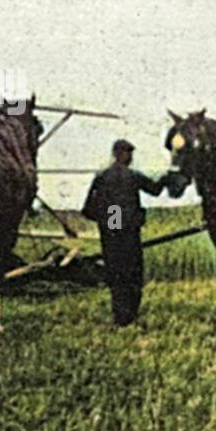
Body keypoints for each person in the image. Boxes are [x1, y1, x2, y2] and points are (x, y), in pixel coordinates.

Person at [80, 139, 168, 326]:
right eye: (129, 154)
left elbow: (87, 210)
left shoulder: (102, 177)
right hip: (129, 234)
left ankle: (120, 316)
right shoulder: (133, 176)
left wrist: (108, 220)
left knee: (116, 275)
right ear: (122, 154)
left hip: (111, 235)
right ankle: (130, 315)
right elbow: (155, 190)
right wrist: (168, 178)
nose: (130, 158)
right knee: (133, 274)